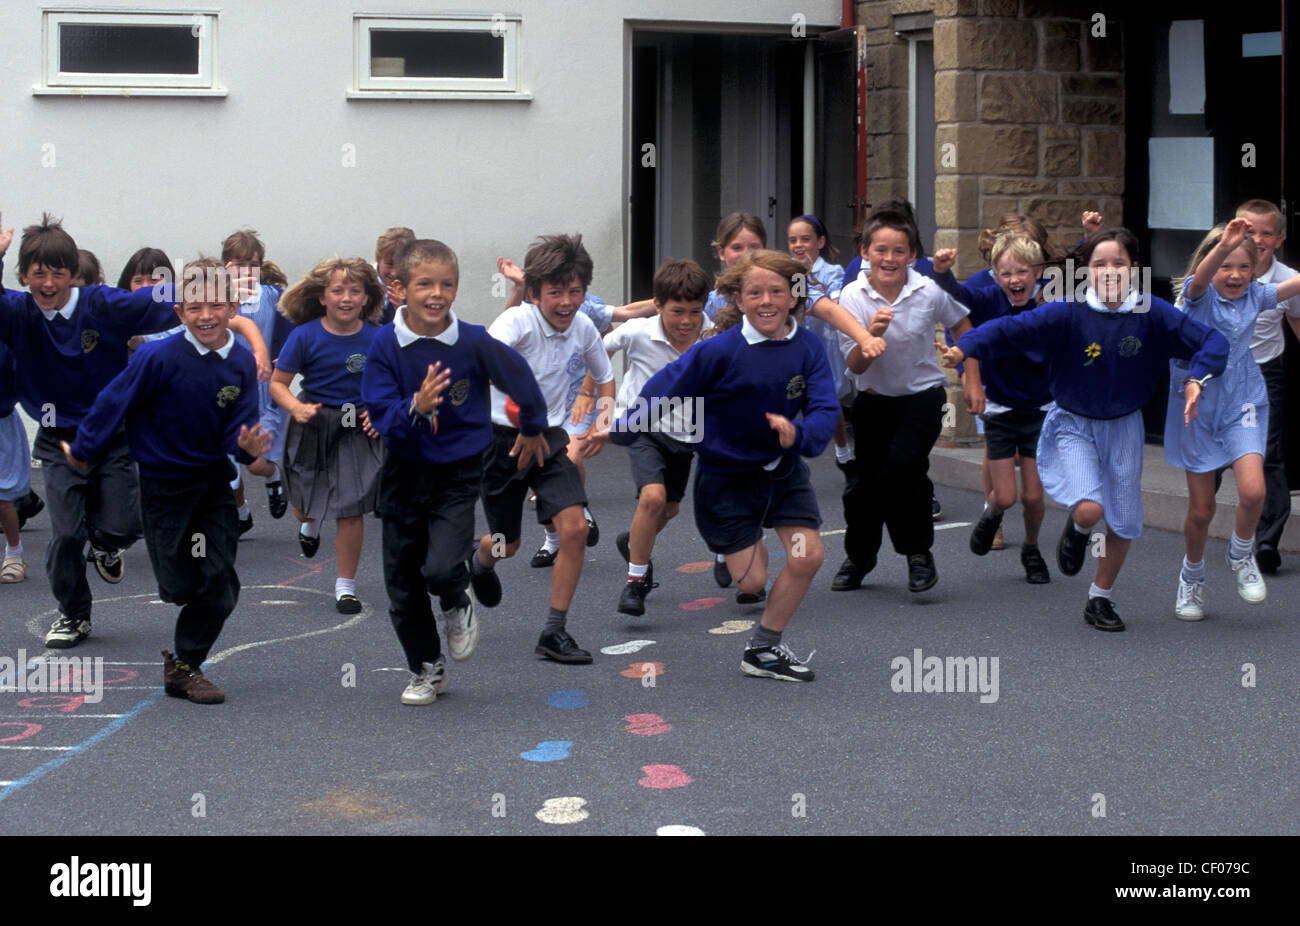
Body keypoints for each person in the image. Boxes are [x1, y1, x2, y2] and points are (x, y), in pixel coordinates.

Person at [942, 227, 1229, 632]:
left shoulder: (1153, 312)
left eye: (1119, 263)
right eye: (1100, 264)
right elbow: (1009, 330)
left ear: (1134, 269)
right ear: (1087, 271)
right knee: (1091, 507)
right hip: (1072, 423)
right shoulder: (1066, 312)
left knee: (1126, 521)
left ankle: (1100, 598)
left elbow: (1214, 343)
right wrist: (966, 346)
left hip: (1126, 427)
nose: (1110, 272)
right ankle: (1078, 527)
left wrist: (1197, 377)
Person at [609, 249, 838, 681]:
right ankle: (739, 559)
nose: (766, 301)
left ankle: (763, 649)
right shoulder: (717, 351)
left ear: (793, 296)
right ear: (737, 298)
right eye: (755, 292)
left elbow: (826, 408)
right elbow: (665, 387)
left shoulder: (807, 347)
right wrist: (618, 430)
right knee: (751, 583)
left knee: (807, 556)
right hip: (727, 482)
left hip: (782, 474)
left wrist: (800, 435)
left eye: (776, 291)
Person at [62, 257, 269, 702]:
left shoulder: (239, 363)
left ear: (233, 305)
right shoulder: (158, 356)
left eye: (216, 304)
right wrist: (82, 451)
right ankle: (188, 623)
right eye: (194, 307)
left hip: (213, 482)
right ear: (179, 312)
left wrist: (249, 451)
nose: (206, 315)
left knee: (219, 585)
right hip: (162, 485)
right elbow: (112, 401)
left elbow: (242, 427)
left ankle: (185, 665)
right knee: (178, 587)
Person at [362, 238, 548, 703]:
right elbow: (379, 411)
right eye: (425, 283)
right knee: (402, 586)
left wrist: (531, 425)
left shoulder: (471, 340)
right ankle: (426, 668)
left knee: (443, 568)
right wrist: (415, 407)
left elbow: (520, 376)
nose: (436, 293)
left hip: (458, 471)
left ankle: (456, 597)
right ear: (399, 288)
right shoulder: (386, 343)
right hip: (404, 473)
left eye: (447, 284)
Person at [0, 211, 179, 648]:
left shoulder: (102, 305)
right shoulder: (19, 314)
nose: (47, 283)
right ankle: (73, 614)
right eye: (37, 274)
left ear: (73, 275)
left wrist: (216, 283)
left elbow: (159, 300)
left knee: (125, 524)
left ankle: (105, 542)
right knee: (65, 535)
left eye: (57, 274)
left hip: (112, 433)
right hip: (56, 438)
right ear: (23, 276)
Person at [471, 234, 615, 665]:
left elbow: (605, 376)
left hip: (549, 438)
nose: (567, 301)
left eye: (575, 291)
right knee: (506, 545)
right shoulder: (516, 322)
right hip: (501, 440)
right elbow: (487, 366)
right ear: (534, 293)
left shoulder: (585, 326)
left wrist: (603, 425)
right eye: (555, 292)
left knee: (574, 530)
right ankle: (479, 562)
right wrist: (525, 418)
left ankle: (554, 631)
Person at [833, 207, 979, 594]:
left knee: (903, 469)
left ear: (913, 256)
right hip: (872, 401)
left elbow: (964, 325)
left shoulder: (927, 290)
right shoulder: (851, 295)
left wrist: (966, 367)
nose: (890, 258)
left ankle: (918, 555)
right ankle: (860, 557)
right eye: (881, 249)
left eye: (899, 251)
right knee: (864, 485)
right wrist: (870, 335)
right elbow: (854, 363)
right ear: (865, 252)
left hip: (921, 400)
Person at [1166, 218, 1300, 619]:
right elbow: (1201, 278)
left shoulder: (1255, 296)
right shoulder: (1198, 296)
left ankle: (1241, 555)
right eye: (1228, 265)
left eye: (1245, 266)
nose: (1236, 275)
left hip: (1244, 401)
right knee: (1201, 511)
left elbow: (1290, 287)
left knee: (1255, 491)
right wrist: (1221, 248)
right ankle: (1191, 577)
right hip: (1197, 404)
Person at [581, 258, 711, 617]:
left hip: (688, 432)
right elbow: (600, 349)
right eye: (677, 311)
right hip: (641, 426)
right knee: (653, 498)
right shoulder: (638, 330)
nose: (686, 321)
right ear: (658, 305)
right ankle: (635, 582)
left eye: (695, 311)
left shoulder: (712, 333)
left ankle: (633, 541)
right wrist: (593, 399)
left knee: (669, 508)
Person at [930, 233, 1053, 583]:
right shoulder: (987, 301)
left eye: (1022, 272)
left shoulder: (1049, 303)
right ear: (995, 277)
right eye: (1005, 274)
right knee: (1006, 497)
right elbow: (960, 296)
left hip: (1039, 410)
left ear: (1038, 272)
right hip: (1000, 410)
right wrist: (942, 272)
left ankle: (1031, 549)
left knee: (1032, 496)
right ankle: (991, 514)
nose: (1015, 280)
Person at [271, 257, 386, 613]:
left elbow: (395, 383)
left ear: (367, 298)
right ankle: (308, 526)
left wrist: (380, 412)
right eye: (338, 290)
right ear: (323, 297)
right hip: (314, 420)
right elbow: (278, 384)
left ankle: (345, 585)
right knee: (306, 506)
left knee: (351, 507)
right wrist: (295, 408)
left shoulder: (378, 337)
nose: (347, 297)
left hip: (357, 427)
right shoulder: (304, 336)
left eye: (356, 290)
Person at [1234, 200, 1300, 574]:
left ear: (1278, 239)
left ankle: (1268, 542)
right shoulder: (1217, 271)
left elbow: (1296, 320)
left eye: (1266, 233)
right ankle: (1202, 513)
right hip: (1222, 374)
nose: (1257, 240)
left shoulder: (1287, 278)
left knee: (1270, 454)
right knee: (1214, 456)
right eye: (1249, 231)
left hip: (1265, 372)